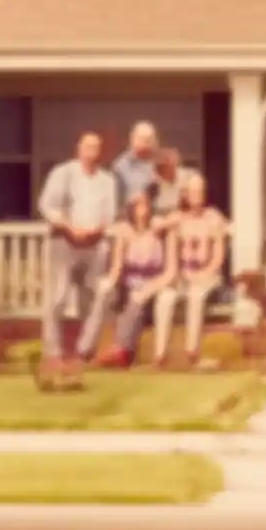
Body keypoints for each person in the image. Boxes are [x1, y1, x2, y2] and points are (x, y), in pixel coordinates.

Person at [36, 132, 118, 371]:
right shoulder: (63, 174)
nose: (92, 152)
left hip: (94, 244)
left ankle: (85, 350)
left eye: (97, 148)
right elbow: (47, 206)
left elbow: (109, 215)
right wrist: (71, 228)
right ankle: (53, 353)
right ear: (79, 149)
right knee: (57, 297)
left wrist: (94, 231)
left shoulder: (107, 180)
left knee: (98, 294)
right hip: (63, 242)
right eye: (88, 147)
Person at [93, 190, 179, 368]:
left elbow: (171, 272)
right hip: (130, 287)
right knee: (127, 299)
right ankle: (116, 351)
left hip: (156, 285)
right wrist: (110, 282)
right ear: (130, 209)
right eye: (137, 205)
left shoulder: (162, 231)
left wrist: (149, 288)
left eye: (145, 204)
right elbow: (117, 267)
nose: (142, 209)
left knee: (136, 298)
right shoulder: (125, 231)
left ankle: (121, 349)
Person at [157, 173, 228, 365]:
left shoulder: (214, 218)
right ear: (185, 194)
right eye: (193, 191)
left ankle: (192, 352)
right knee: (165, 298)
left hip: (208, 276)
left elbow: (218, 257)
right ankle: (160, 354)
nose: (197, 195)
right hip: (182, 275)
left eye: (201, 191)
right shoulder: (176, 219)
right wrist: (178, 276)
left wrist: (202, 275)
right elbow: (172, 257)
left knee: (195, 295)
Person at [110, 121, 158, 208]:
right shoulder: (120, 167)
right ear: (132, 139)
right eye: (143, 139)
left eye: (149, 139)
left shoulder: (160, 162)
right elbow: (116, 201)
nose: (146, 144)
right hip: (132, 216)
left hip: (161, 217)